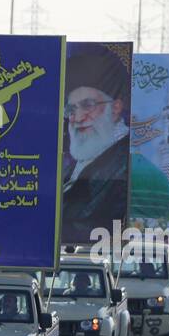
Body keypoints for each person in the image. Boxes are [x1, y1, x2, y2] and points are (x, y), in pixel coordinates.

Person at [61, 49, 131, 243]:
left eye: (88, 105)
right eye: (71, 109)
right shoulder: (76, 164)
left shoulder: (125, 164)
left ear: (116, 108)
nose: (78, 117)